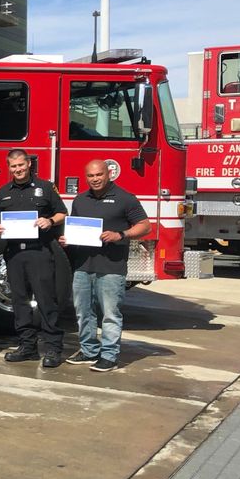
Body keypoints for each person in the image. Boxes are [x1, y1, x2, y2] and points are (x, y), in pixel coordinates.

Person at [60, 160, 151, 373]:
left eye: (99, 174)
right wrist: (68, 239)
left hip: (112, 266)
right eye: (91, 176)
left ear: (108, 174)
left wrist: (121, 234)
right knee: (83, 312)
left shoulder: (125, 198)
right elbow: (76, 228)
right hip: (83, 265)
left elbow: (145, 226)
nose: (95, 179)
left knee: (110, 314)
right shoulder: (80, 199)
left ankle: (109, 356)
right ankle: (89, 351)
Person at [0, 149, 68, 368]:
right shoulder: (3, 192)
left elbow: (62, 212)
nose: (17, 169)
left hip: (39, 252)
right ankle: (27, 346)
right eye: (13, 166)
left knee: (46, 300)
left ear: (28, 164)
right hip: (14, 253)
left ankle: (53, 348)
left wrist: (50, 221)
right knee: (19, 302)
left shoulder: (45, 187)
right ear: (9, 167)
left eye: (21, 165)